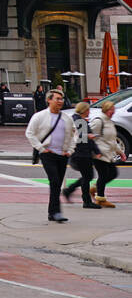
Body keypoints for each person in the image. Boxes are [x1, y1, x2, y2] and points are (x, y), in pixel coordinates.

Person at [25, 89, 75, 223]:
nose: (60, 101)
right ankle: (56, 212)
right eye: (57, 99)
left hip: (62, 154)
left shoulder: (66, 118)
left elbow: (73, 135)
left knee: (57, 183)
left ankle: (52, 212)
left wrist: (70, 150)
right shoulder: (39, 116)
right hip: (48, 154)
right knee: (54, 182)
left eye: (61, 99)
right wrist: (41, 148)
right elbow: (30, 133)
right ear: (49, 100)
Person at [61, 102, 101, 209]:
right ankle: (82, 199)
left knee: (87, 176)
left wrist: (95, 150)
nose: (89, 112)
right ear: (83, 110)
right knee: (88, 176)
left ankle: (73, 193)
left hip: (80, 153)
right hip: (81, 153)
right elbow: (81, 139)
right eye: (88, 110)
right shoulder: (80, 121)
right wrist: (90, 138)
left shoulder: (76, 119)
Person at [89, 99, 123, 208]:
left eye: (113, 109)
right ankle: (100, 199)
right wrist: (94, 150)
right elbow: (88, 135)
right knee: (103, 175)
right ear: (105, 110)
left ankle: (95, 188)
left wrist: (120, 152)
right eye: (110, 109)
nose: (113, 112)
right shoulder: (99, 121)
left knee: (113, 173)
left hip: (108, 154)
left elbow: (112, 140)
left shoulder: (109, 122)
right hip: (99, 154)